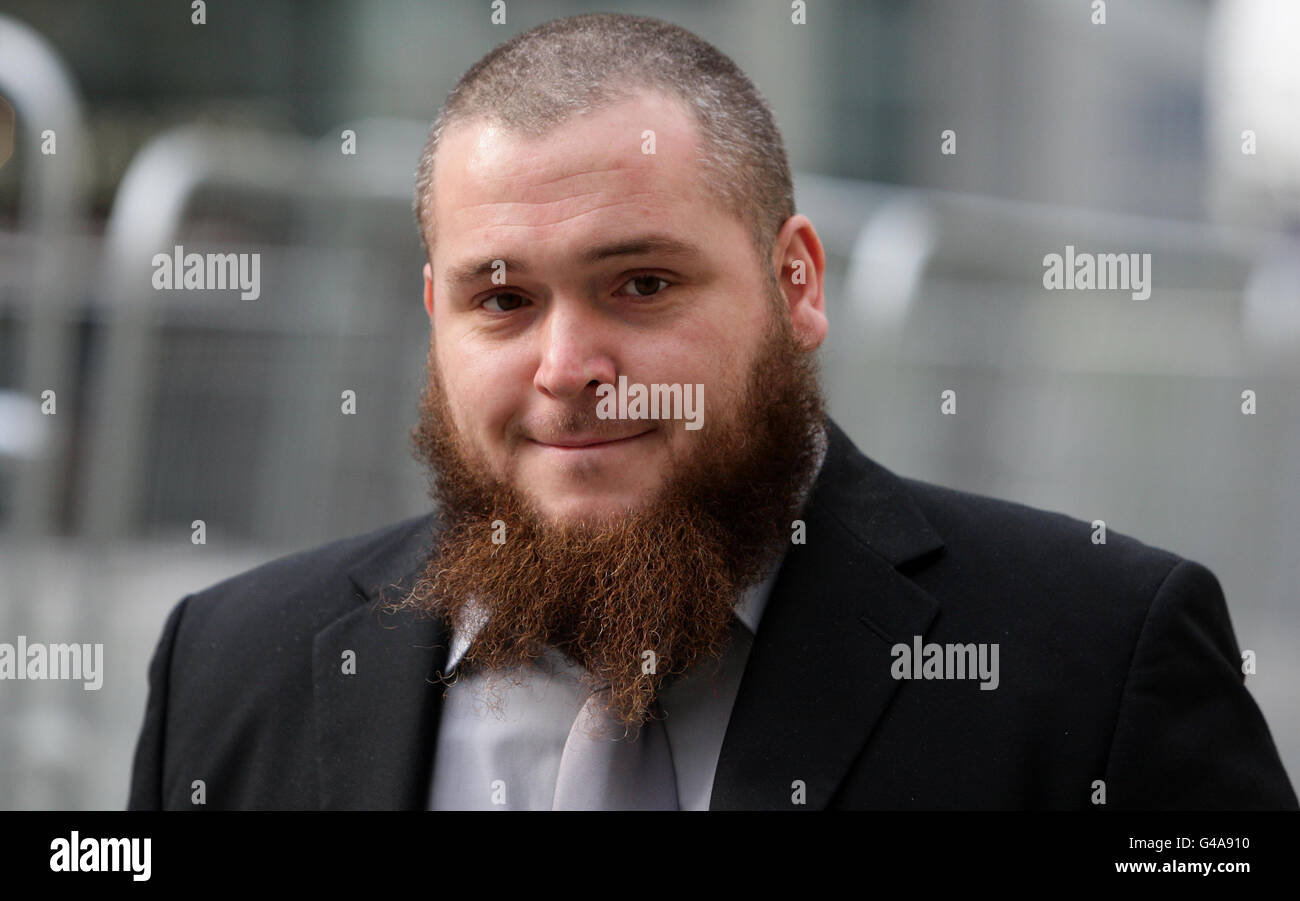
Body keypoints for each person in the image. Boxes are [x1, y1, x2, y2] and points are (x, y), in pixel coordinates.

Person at [127, 12, 1297, 811]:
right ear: (433, 312)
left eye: (641, 283)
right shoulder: (231, 667)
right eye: (502, 298)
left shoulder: (1097, 663)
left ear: (797, 282)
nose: (568, 364)